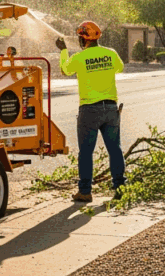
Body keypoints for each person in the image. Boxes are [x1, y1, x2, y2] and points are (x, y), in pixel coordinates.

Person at [57, 20, 126, 202]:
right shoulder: (110, 53)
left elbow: (65, 70)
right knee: (115, 150)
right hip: (111, 108)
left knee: (86, 152)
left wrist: (63, 51)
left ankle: (85, 191)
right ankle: (120, 188)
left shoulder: (79, 58)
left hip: (89, 109)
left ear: (83, 39)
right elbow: (120, 67)